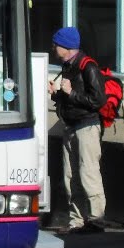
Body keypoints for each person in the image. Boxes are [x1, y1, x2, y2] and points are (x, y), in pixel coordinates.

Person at [48, 26, 107, 235]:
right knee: (70, 176)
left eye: (56, 44)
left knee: (88, 173)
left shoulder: (88, 67)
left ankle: (96, 220)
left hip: (87, 126)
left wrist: (70, 93)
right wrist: (56, 94)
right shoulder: (68, 67)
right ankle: (77, 221)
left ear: (66, 46)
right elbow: (69, 97)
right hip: (71, 126)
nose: (53, 48)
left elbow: (98, 100)